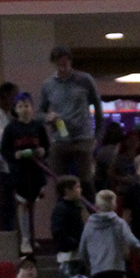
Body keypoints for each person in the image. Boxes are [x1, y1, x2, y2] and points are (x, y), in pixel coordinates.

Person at [39, 46, 102, 182]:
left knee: (86, 181)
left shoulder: (85, 80)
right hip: (60, 137)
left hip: (83, 137)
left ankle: (87, 203)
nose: (63, 66)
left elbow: (98, 107)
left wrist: (97, 135)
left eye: (65, 63)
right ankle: (63, 203)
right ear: (54, 64)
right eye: (59, 63)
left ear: (70, 62)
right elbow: (39, 113)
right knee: (60, 181)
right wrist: (47, 117)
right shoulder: (48, 85)